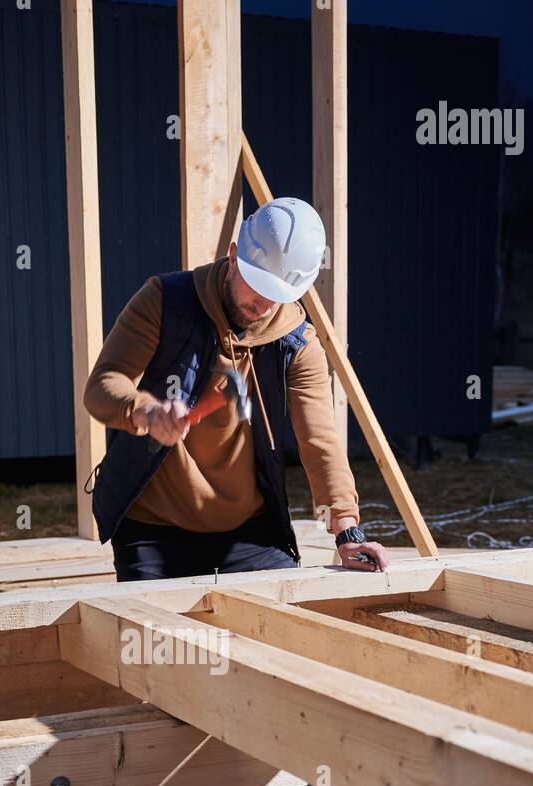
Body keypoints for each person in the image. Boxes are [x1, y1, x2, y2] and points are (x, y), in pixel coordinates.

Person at [83, 196, 389, 581]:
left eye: (277, 295)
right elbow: (101, 386)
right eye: (256, 286)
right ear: (233, 256)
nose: (262, 306)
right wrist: (146, 411)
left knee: (282, 628)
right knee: (157, 635)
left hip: (249, 531)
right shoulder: (165, 301)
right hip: (153, 529)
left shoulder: (296, 344)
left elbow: (320, 441)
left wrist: (347, 529)